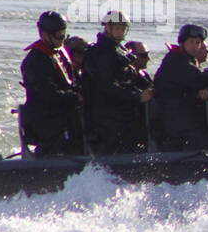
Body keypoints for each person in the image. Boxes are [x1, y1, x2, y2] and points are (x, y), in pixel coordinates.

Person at [81, 10, 154, 154]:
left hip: (122, 111)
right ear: (107, 28)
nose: (120, 32)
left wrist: (152, 89)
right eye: (117, 28)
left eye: (123, 29)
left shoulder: (119, 51)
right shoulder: (99, 53)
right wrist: (138, 96)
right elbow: (107, 86)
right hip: (105, 115)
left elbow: (133, 76)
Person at [20, 11, 83, 157]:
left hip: (64, 112)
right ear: (44, 34)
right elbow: (47, 94)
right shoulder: (35, 61)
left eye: (63, 34)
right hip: (46, 118)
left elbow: (72, 84)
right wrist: (75, 97)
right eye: (58, 35)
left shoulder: (59, 54)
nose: (62, 39)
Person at [153, 23, 208, 151]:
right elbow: (200, 79)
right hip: (173, 117)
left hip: (180, 114)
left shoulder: (185, 60)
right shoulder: (176, 61)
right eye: (191, 42)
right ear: (182, 43)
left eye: (197, 43)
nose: (194, 46)